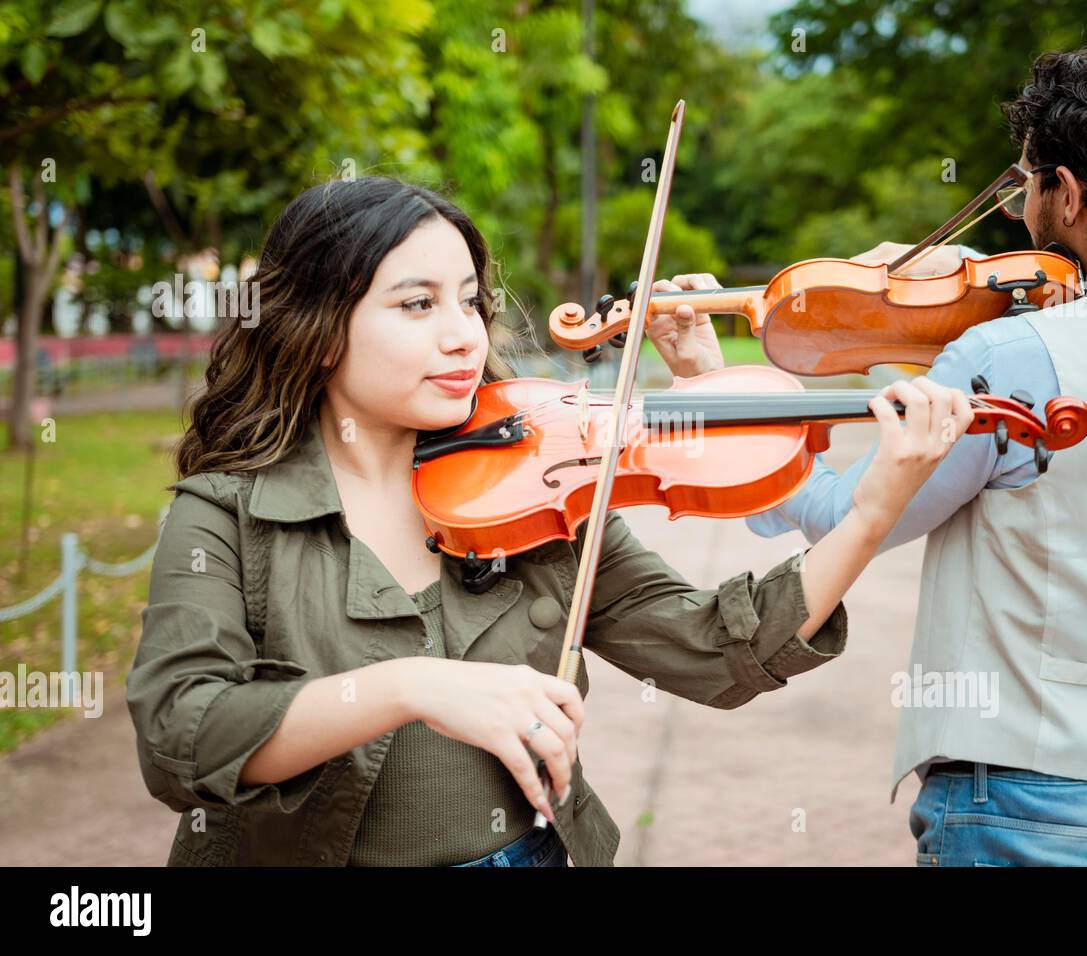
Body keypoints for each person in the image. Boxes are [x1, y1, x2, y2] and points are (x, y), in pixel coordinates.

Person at [125, 175, 974, 867]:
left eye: (469, 301)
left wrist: (870, 511)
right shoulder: (228, 515)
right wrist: (407, 686)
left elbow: (715, 649)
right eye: (417, 305)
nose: (463, 335)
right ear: (316, 331)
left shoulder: (540, 482)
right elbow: (181, 734)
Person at [646, 44, 1087, 866]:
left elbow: (849, 515)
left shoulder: (1015, 359)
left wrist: (710, 382)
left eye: (1026, 187)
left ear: (1072, 193)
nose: (1016, 214)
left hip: (1019, 799)